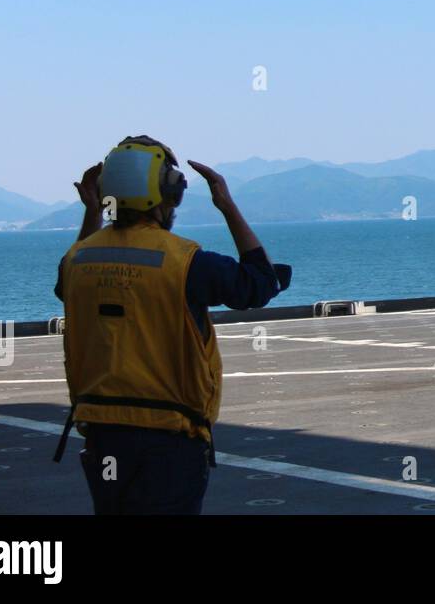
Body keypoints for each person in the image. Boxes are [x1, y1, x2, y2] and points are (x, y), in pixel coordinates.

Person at [52, 135, 290, 514]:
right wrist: (227, 205)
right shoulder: (186, 263)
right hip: (168, 439)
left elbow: (67, 284)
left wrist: (92, 210)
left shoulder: (78, 261)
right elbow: (258, 284)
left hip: (101, 437)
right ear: (170, 193)